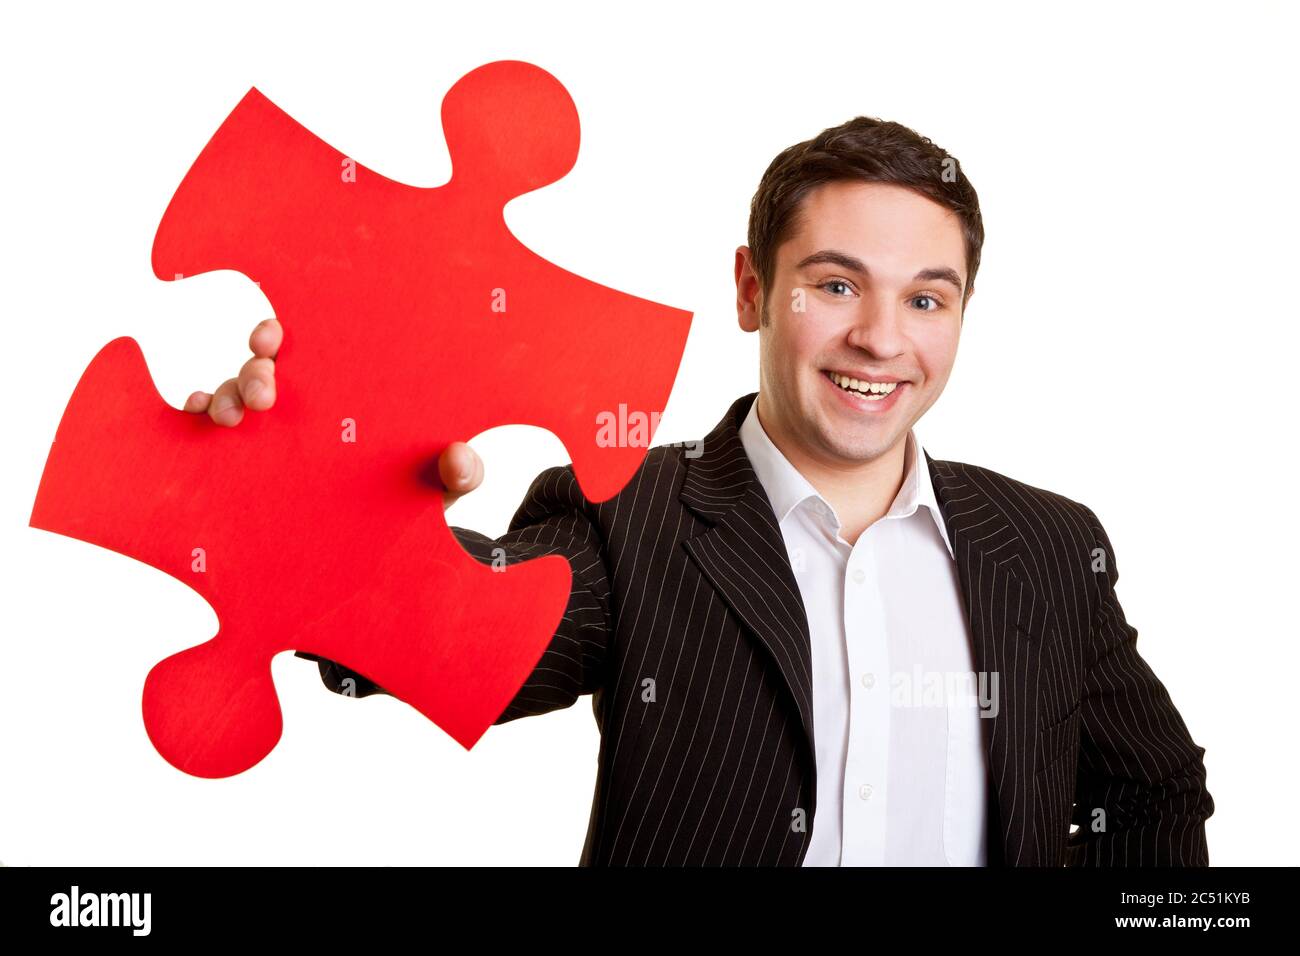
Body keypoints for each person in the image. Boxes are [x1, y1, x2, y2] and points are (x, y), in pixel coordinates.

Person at [186, 116, 1214, 866]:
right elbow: (433, 633)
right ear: (751, 289)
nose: (881, 339)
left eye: (926, 298)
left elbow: (1150, 792)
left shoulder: (1045, 542)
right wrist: (292, 480)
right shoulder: (628, 509)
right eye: (836, 283)